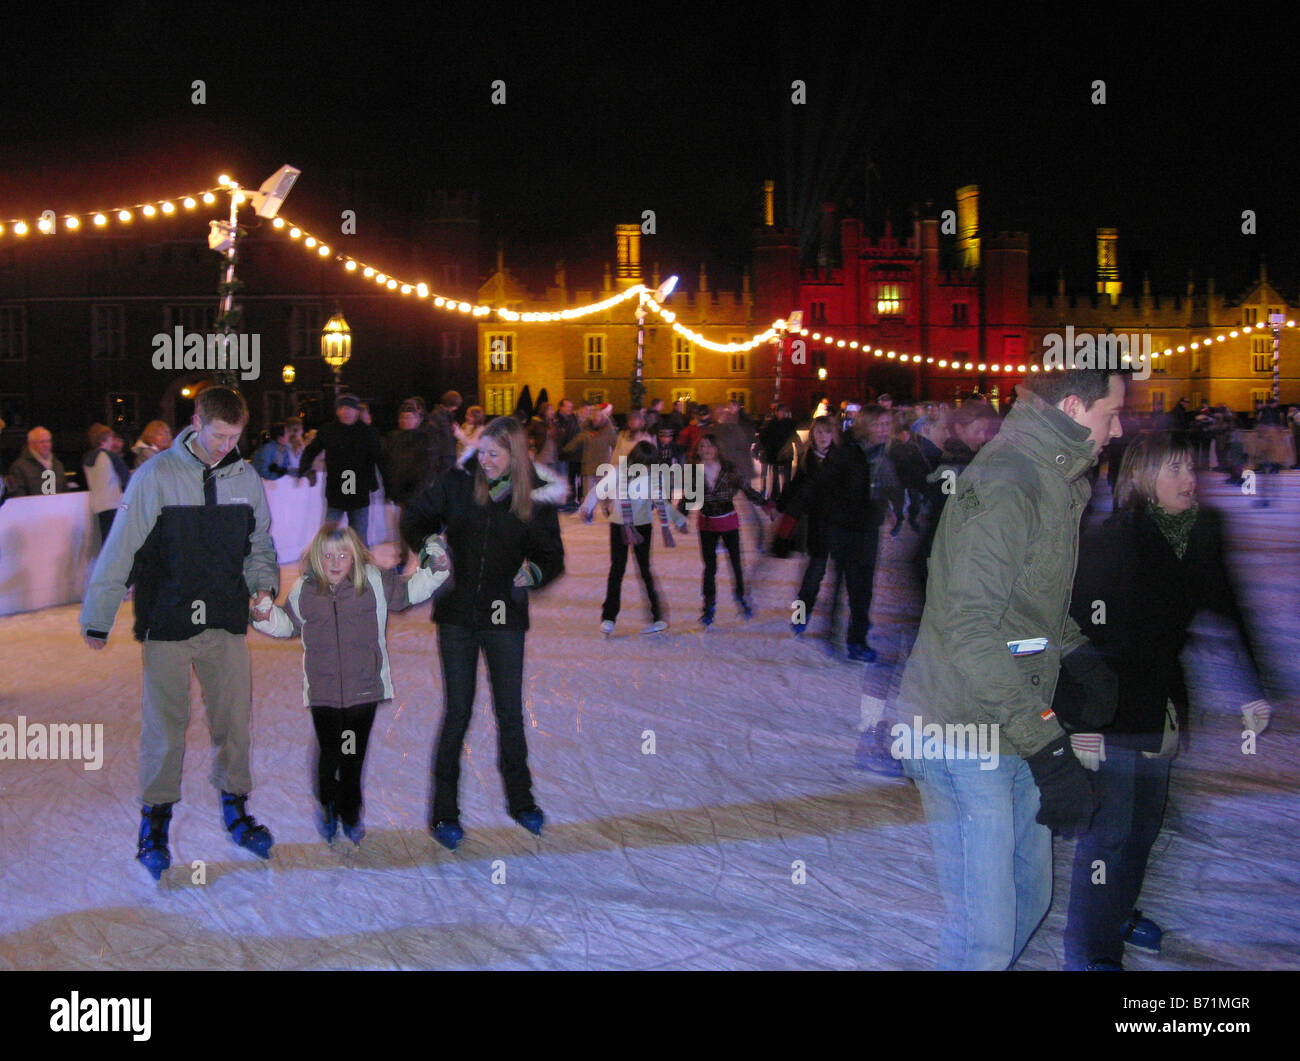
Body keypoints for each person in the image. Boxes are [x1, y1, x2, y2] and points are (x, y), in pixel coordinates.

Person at [894, 367, 1126, 969]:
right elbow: (970, 629)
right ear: (1075, 407)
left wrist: (1077, 654)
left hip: (1017, 716)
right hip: (961, 725)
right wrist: (1050, 748)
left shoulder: (1054, 477)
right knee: (986, 936)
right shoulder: (1009, 481)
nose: (1118, 429)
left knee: (1032, 897)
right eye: (1110, 414)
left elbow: (1025, 606)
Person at [1059, 433, 1277, 969]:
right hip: (1107, 711)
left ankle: (1118, 914)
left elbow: (1228, 607)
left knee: (1141, 832)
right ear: (1142, 479)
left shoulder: (1201, 531)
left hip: (1160, 709)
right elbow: (1069, 634)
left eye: (1192, 468)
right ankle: (1090, 955)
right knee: (1109, 839)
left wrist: (1252, 686)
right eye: (1175, 470)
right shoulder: (1114, 539)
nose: (1190, 479)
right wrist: (1075, 724)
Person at [79, 387, 280, 880]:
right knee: (165, 729)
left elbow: (260, 545)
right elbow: (120, 548)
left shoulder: (245, 478)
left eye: (234, 437)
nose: (224, 446)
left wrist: (264, 589)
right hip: (168, 622)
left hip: (225, 620)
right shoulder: (155, 477)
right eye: (218, 436)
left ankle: (236, 807)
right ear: (196, 422)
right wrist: (98, 616)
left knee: (234, 722)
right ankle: (155, 822)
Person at [400, 416, 565, 851]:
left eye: (495, 454)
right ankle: (444, 811)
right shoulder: (457, 484)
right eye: (483, 452)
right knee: (458, 712)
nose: (486, 461)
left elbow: (552, 554)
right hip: (457, 614)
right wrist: (430, 545)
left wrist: (536, 571)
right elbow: (414, 517)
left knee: (510, 712)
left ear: (516, 455)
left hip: (504, 614)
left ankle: (521, 800)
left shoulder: (536, 497)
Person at [252, 523, 449, 846]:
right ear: (316, 557)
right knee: (330, 754)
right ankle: (327, 803)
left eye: (342, 554)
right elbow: (287, 624)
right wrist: (265, 616)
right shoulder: (305, 589)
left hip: (364, 690)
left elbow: (411, 591)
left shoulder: (373, 581)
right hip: (324, 694)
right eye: (327, 556)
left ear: (355, 556)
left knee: (353, 755)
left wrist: (437, 571)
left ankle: (350, 811)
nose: (334, 562)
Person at [580, 440, 688, 634]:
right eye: (642, 464)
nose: (645, 469)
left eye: (649, 465)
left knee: (645, 570)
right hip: (619, 526)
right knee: (617, 569)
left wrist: (678, 520)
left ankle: (657, 616)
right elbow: (598, 490)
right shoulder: (618, 472)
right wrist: (587, 507)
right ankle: (609, 616)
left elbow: (661, 501)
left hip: (643, 525)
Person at [685, 433, 770, 625]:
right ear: (698, 451)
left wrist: (764, 504)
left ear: (716, 448)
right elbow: (690, 497)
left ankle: (741, 597)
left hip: (728, 521)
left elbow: (745, 488)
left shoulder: (728, 468)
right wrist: (681, 516)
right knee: (709, 567)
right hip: (706, 523)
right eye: (702, 447)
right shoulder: (694, 470)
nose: (705, 450)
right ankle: (709, 604)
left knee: (736, 563)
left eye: (709, 446)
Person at [772, 415, 839, 633]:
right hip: (818, 525)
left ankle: (839, 622)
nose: (822, 437)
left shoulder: (843, 458)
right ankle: (802, 615)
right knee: (813, 574)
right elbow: (794, 488)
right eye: (818, 432)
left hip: (841, 524)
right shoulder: (807, 459)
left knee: (843, 577)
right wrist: (779, 508)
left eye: (826, 432)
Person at [297, 394, 383, 544]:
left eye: (350, 408)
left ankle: (361, 565)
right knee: (329, 535)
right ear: (337, 411)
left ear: (357, 411)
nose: (346, 412)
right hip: (336, 491)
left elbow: (379, 459)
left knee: (359, 536)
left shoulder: (368, 433)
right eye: (342, 408)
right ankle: (326, 561)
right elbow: (311, 450)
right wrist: (304, 469)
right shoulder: (328, 430)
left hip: (359, 492)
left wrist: (380, 483)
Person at [83, 424, 131, 542]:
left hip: (97, 505)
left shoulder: (87, 459)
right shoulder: (110, 456)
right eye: (111, 438)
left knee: (106, 538)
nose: (113, 442)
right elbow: (127, 479)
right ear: (104, 440)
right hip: (113, 504)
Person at [562, 403, 617, 501]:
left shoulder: (608, 430)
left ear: (602, 416)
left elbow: (616, 446)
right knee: (587, 496)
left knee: (605, 496)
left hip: (603, 466)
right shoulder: (586, 430)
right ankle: (587, 514)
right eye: (594, 415)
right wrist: (563, 451)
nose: (596, 418)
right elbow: (575, 441)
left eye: (598, 416)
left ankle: (608, 513)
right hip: (588, 467)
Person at [7, 426, 74, 495]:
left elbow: (65, 492)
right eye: (41, 442)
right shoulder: (19, 467)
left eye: (48, 441)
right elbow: (19, 498)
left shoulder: (57, 465)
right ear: (31, 444)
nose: (46, 445)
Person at [427, 390, 463, 477]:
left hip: (444, 456)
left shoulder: (439, 414)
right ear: (453, 406)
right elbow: (446, 438)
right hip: (443, 456)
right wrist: (455, 431)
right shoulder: (440, 416)